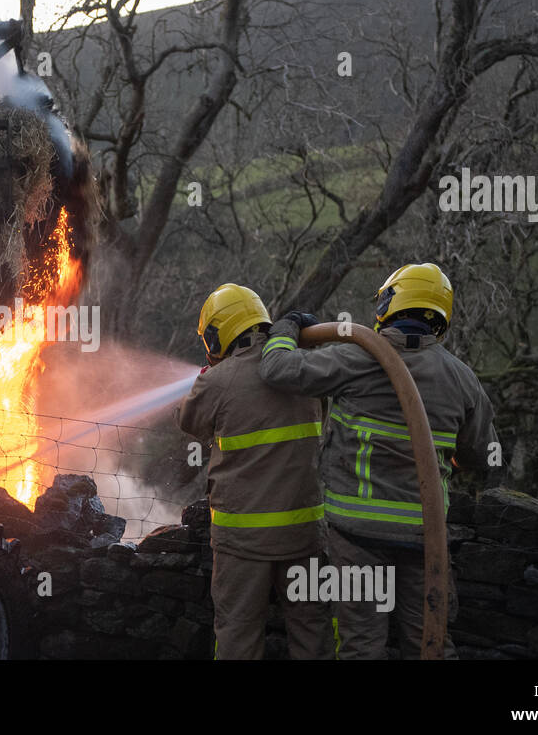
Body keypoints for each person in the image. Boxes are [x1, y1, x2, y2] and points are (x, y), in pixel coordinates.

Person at [258, 263, 497, 659]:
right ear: (441, 314)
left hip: (358, 537)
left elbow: (277, 369)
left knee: (360, 645)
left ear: (390, 303)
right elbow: (481, 454)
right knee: (430, 643)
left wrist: (285, 329)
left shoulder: (356, 358)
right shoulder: (461, 379)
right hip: (426, 537)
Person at [176, 283, 333, 660]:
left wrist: (205, 379)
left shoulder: (216, 381)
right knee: (313, 634)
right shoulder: (303, 368)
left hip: (242, 543)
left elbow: (188, 420)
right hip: (304, 536)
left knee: (237, 637)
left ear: (219, 333)